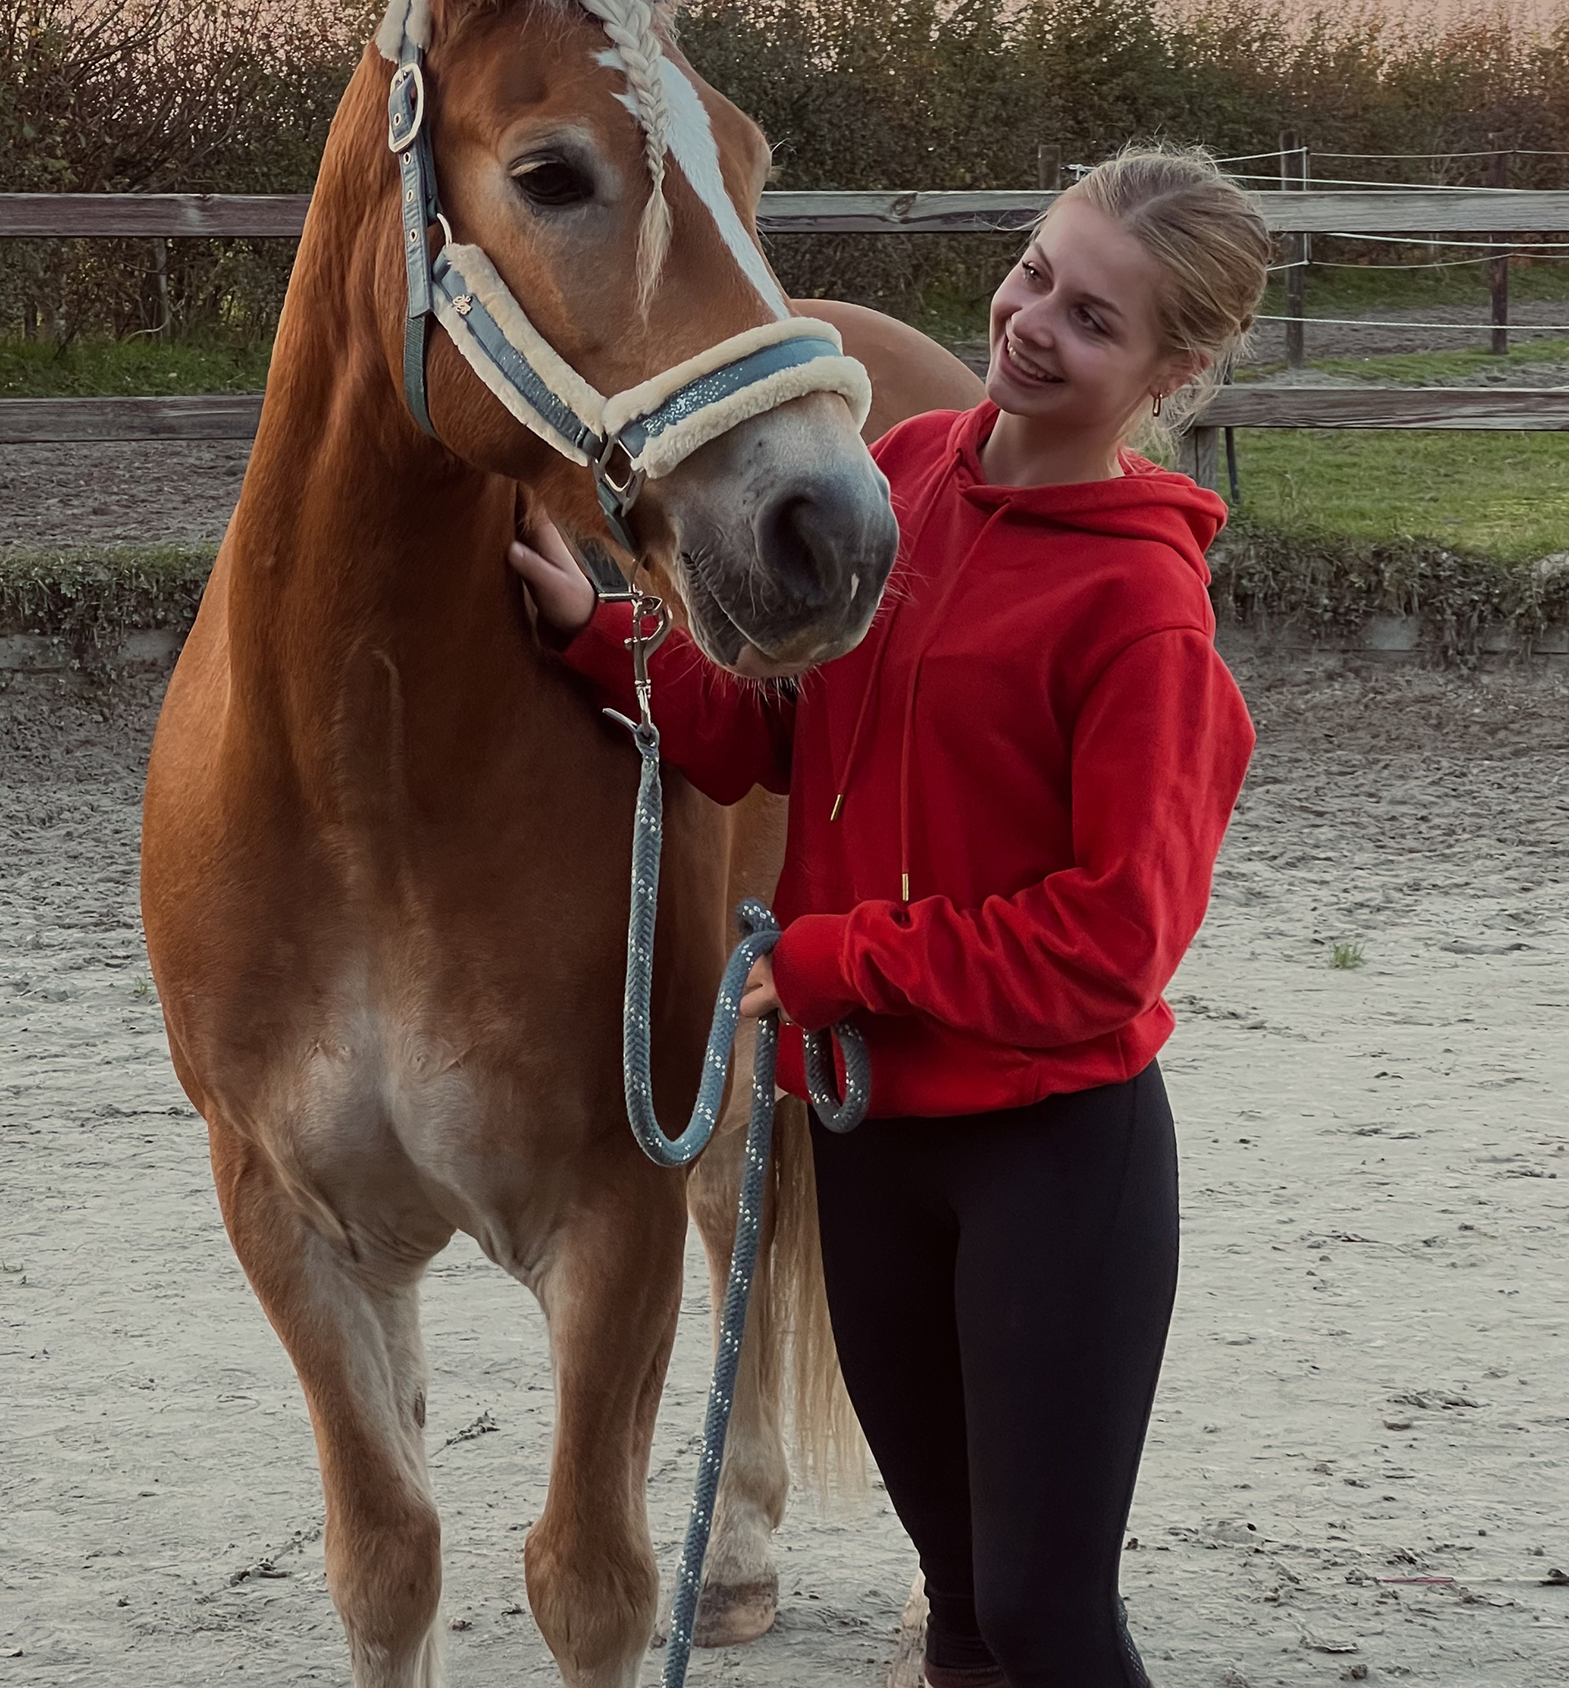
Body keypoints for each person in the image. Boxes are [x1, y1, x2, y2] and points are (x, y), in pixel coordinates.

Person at [510, 146, 1272, 1688]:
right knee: (961, 1613)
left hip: (1046, 1161)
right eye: (1035, 274)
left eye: (1093, 320)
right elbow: (779, 728)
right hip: (871, 1143)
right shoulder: (907, 474)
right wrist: (604, 638)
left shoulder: (1140, 609)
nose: (1033, 324)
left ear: (1171, 374)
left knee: (1047, 1621)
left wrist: (836, 958)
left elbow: (1112, 942)